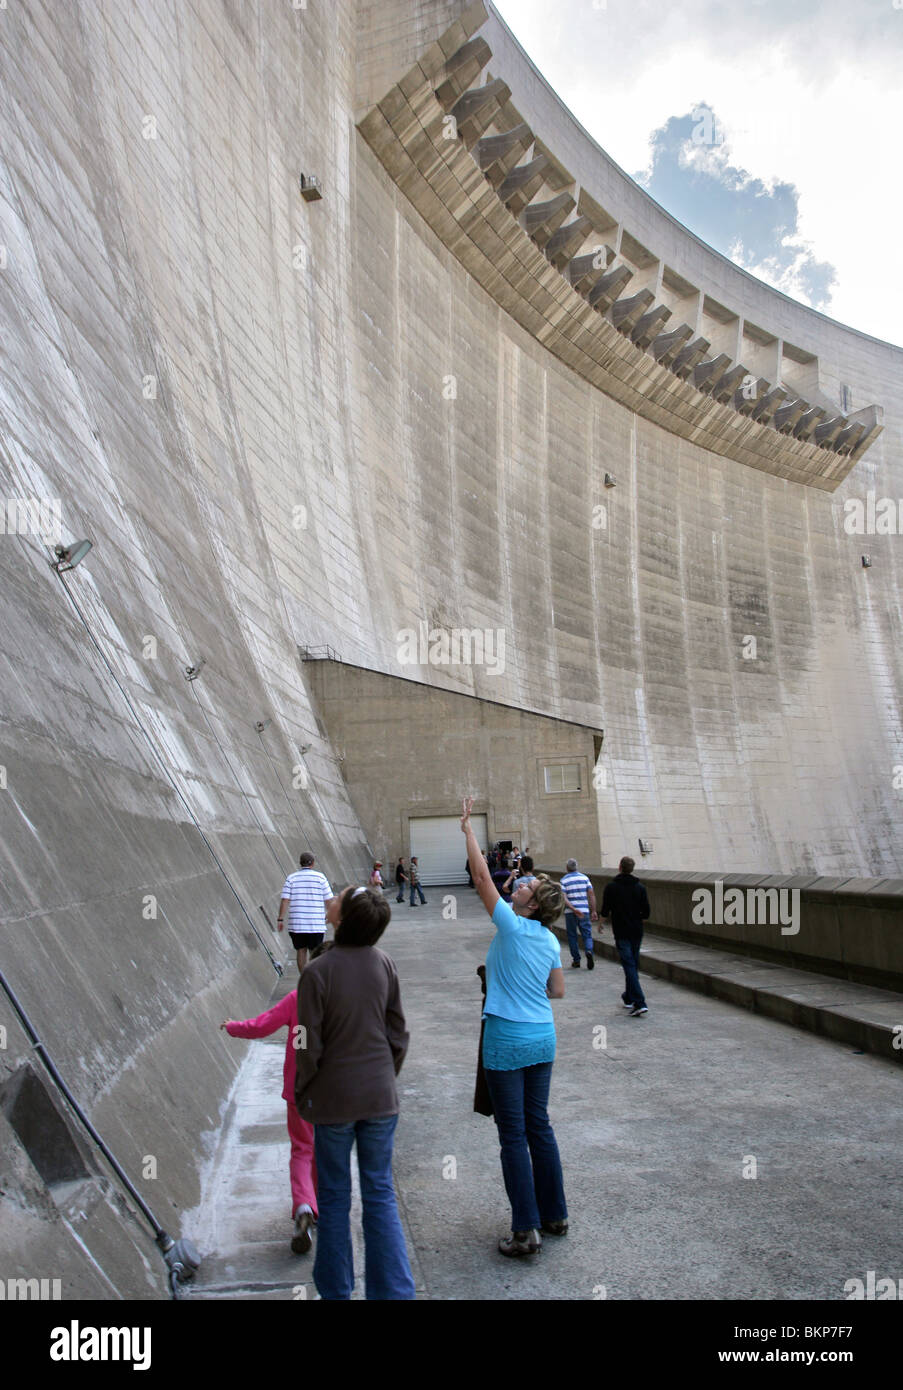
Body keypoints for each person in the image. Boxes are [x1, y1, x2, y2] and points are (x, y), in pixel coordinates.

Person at [460, 796, 568, 1258]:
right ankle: (555, 1214)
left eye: (523, 887)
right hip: (543, 1036)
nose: (516, 886)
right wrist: (527, 988)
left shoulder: (510, 925)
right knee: (539, 1125)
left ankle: (525, 1231)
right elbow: (558, 991)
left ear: (529, 905)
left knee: (513, 1135)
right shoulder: (548, 939)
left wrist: (467, 830)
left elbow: (483, 878)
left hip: (506, 1037)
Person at [295, 885, 415, 1300]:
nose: (330, 901)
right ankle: (394, 1293)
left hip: (332, 1101)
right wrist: (385, 1075)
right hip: (380, 1097)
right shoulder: (384, 964)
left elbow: (305, 1041)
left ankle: (336, 1290)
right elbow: (398, 1034)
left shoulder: (316, 972)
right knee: (379, 1193)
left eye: (336, 899)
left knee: (333, 1198)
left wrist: (304, 1088)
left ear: (343, 917)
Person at [221, 989, 317, 1255]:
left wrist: (233, 1027)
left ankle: (304, 1206)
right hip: (330, 1090)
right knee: (323, 1149)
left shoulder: (298, 998)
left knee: (302, 1149)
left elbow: (262, 1025)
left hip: (299, 1090)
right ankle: (318, 1204)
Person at [601, 856, 651, 1015]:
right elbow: (647, 913)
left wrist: (601, 923)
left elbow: (605, 909)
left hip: (621, 931)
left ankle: (639, 1001)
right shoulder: (640, 888)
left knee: (629, 965)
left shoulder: (611, 887)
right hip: (636, 931)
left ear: (619, 867)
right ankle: (628, 998)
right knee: (632, 964)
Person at [278, 852, 334, 973]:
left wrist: (280, 919)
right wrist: (331, 916)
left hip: (297, 924)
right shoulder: (321, 878)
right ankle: (315, 979)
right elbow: (329, 900)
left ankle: (304, 979)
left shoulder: (291, 878)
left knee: (301, 950)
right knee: (315, 953)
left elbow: (285, 900)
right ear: (313, 863)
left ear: (300, 863)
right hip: (316, 924)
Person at [560, 858, 598, 970]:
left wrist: (572, 908)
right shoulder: (585, 878)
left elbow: (564, 897)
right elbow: (591, 895)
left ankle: (576, 960)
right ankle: (589, 950)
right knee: (587, 934)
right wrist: (594, 910)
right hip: (584, 910)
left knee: (572, 936)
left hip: (570, 912)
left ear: (567, 868)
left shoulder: (564, 880)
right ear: (577, 867)